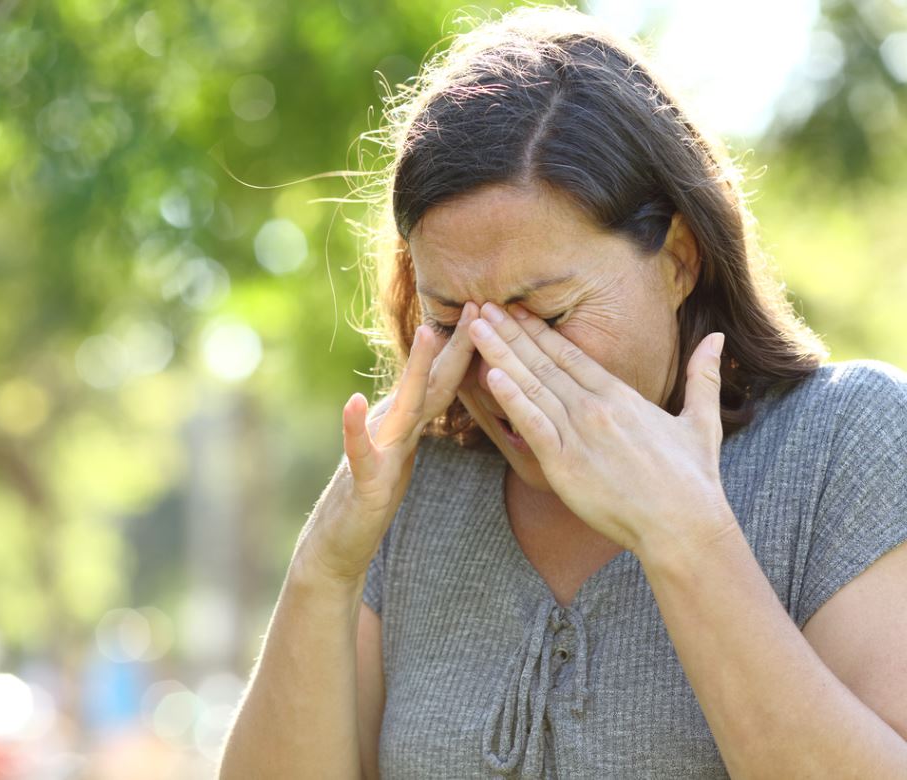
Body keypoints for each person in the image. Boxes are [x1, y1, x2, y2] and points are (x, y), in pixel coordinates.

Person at [218, 5, 907, 778]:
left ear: (678, 260)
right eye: (450, 321)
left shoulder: (846, 444)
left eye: (546, 315)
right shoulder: (412, 492)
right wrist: (326, 566)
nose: (498, 373)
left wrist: (687, 537)